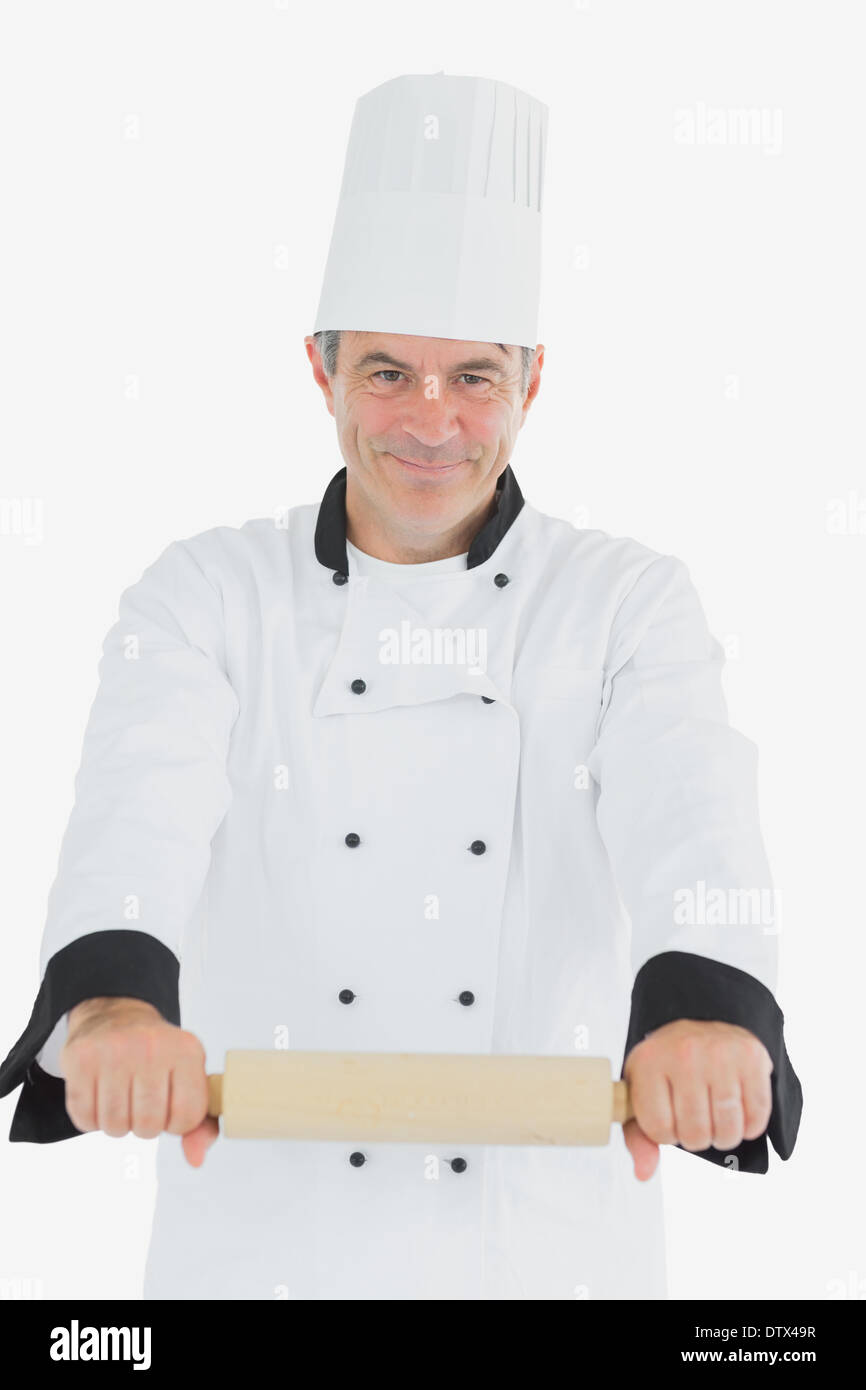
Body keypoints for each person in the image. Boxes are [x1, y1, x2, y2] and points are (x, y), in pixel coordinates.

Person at [0, 72, 801, 1300]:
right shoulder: (206, 595)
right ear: (318, 371)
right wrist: (112, 1002)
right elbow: (136, 804)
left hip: (545, 1259)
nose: (430, 419)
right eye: (386, 372)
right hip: (255, 1258)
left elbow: (686, 799)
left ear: (530, 384)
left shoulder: (626, 602)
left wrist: (702, 1002)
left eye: (472, 376)